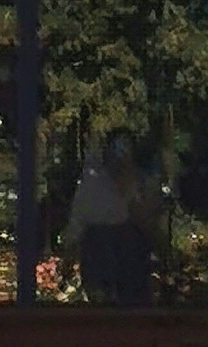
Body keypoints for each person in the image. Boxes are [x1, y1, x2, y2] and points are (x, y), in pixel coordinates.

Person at [64, 131, 159, 307]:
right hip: (99, 253)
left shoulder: (138, 184)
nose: (120, 158)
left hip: (128, 256)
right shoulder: (94, 183)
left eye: (125, 151)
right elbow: (79, 219)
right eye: (117, 151)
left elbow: (146, 222)